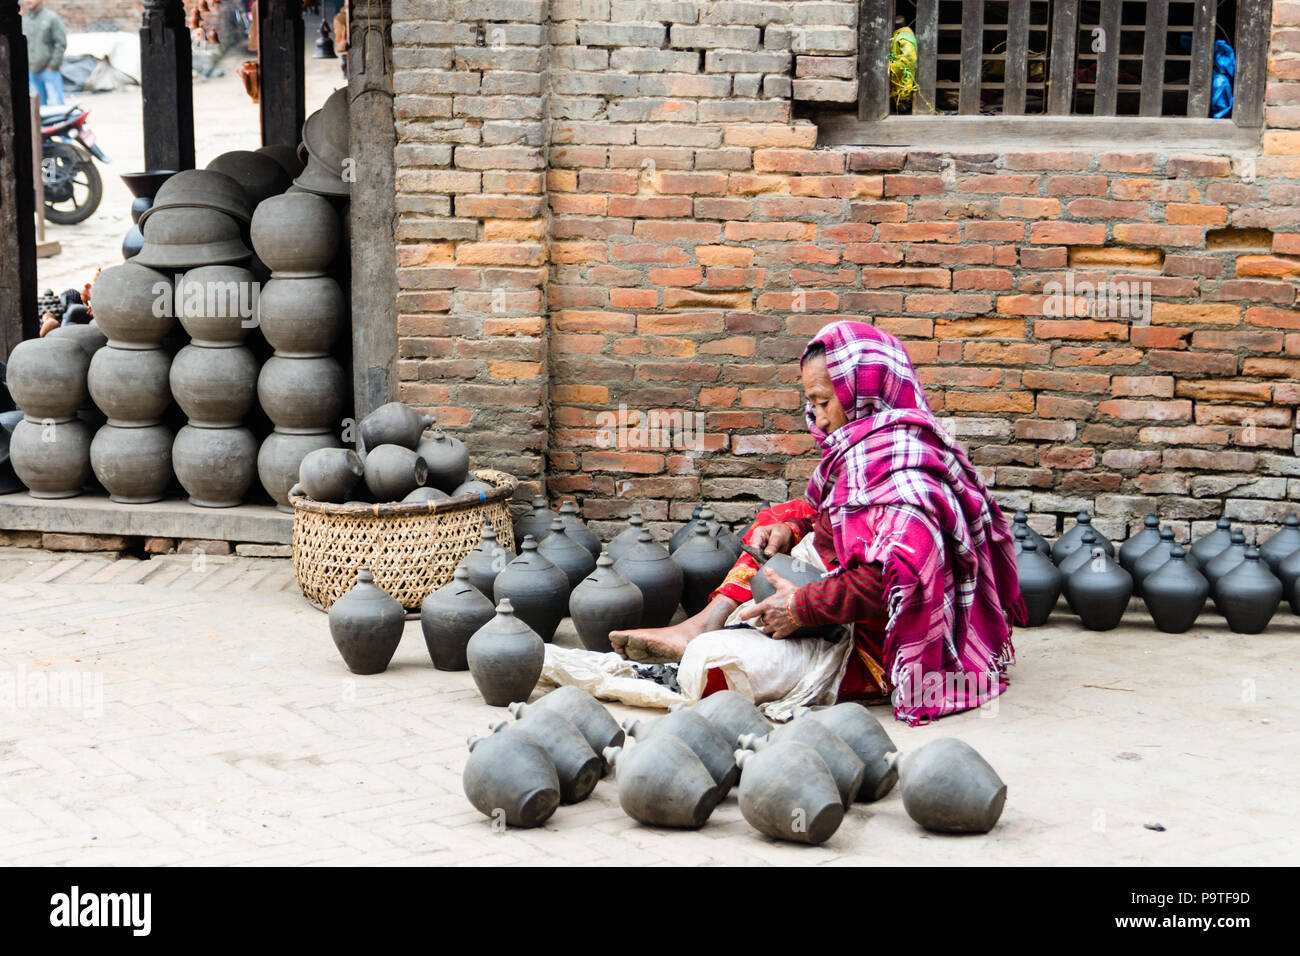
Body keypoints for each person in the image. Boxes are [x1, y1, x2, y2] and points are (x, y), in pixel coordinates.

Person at [609, 321, 1025, 724]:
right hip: (838, 606)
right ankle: (703, 622)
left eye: (824, 402)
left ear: (864, 389)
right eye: (812, 404)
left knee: (711, 663)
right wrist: (791, 528)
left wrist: (800, 609)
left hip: (880, 647)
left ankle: (708, 639)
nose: (818, 419)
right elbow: (837, 514)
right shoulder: (868, 451)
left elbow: (895, 580)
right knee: (776, 521)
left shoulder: (905, 475)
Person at [22, 0, 67, 107]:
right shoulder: (24, 20)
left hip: (49, 71)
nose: (28, 1)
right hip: (31, 72)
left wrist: (52, 65)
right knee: (37, 109)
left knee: (56, 106)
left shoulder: (51, 18)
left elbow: (60, 43)